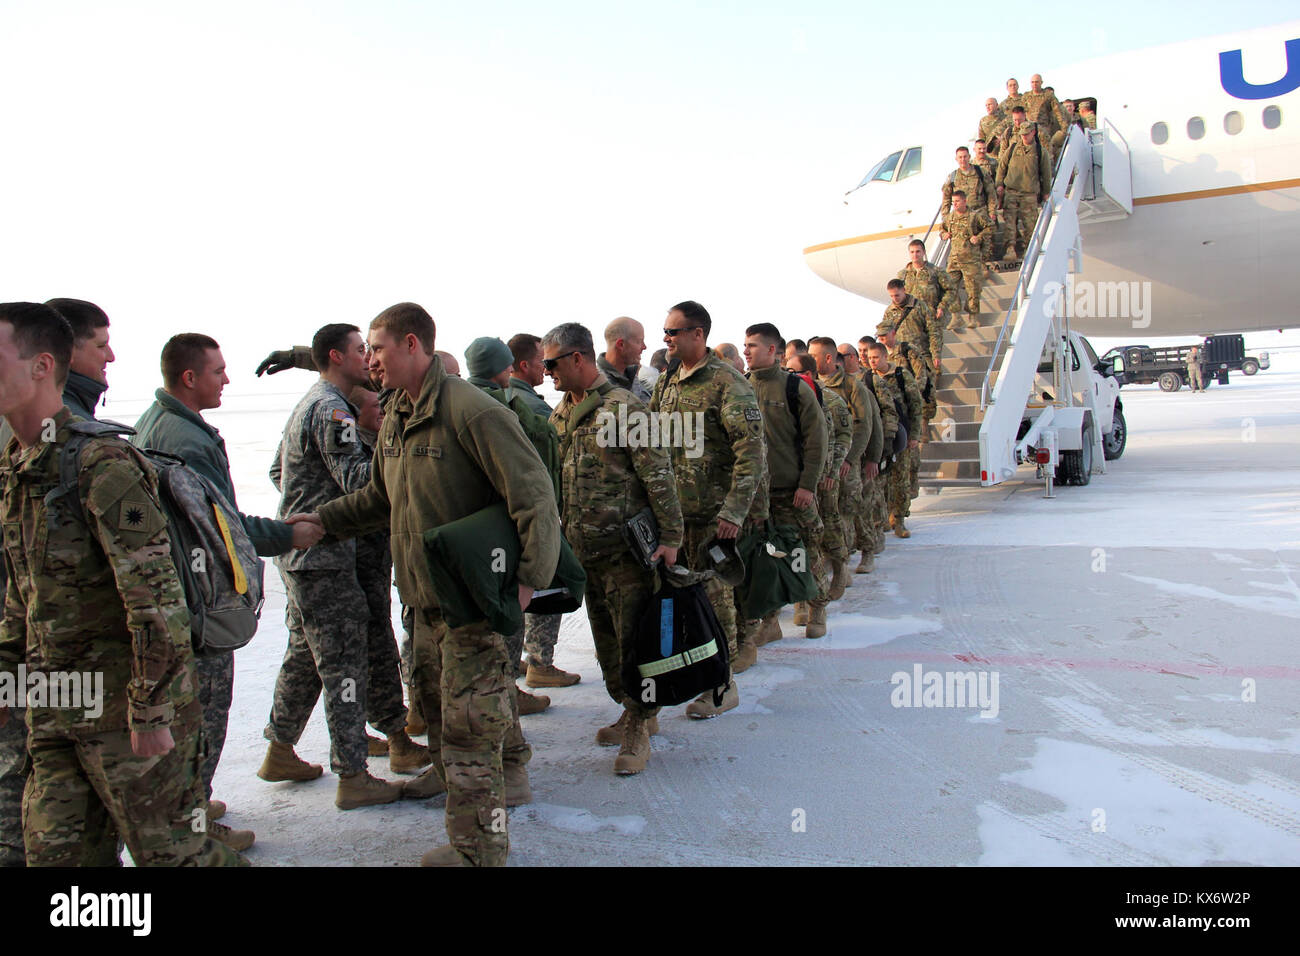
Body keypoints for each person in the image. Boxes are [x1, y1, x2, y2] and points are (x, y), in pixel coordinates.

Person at [296, 303, 561, 867]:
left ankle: (480, 849)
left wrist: (527, 584)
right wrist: (320, 523)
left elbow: (534, 496)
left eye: (378, 349)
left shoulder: (472, 411)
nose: (370, 360)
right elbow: (379, 500)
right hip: (421, 603)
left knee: (469, 734)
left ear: (411, 345)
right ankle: (473, 826)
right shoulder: (396, 416)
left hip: (471, 603)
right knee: (443, 724)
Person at [0, 302, 243, 866]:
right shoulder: (17, 463)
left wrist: (151, 709)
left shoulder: (100, 462)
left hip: (125, 713)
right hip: (54, 706)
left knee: (175, 855)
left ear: (40, 366)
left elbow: (156, 602)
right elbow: (20, 593)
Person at [133, 333, 323, 851]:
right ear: (190, 378)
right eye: (218, 371)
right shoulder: (185, 440)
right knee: (204, 718)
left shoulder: (163, 423)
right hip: (198, 601)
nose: (227, 380)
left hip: (184, 593)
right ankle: (195, 826)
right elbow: (218, 523)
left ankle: (189, 805)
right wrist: (287, 533)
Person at [260, 324, 427, 810]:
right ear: (337, 356)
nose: (369, 358)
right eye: (361, 350)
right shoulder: (333, 409)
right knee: (345, 666)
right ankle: (353, 775)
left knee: (308, 658)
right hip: (325, 557)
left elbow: (281, 473)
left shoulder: (316, 401)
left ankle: (280, 749)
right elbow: (356, 479)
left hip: (313, 556)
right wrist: (403, 458)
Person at [543, 322, 683, 773]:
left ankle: (641, 728)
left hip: (627, 554)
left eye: (552, 363)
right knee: (606, 644)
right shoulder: (561, 414)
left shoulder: (626, 409)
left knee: (635, 642)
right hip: (586, 553)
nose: (547, 373)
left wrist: (671, 538)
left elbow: (659, 478)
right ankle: (630, 708)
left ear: (577, 358)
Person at [649, 301, 763, 718]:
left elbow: (751, 452)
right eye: (665, 332)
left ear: (698, 334)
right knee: (677, 604)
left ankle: (722, 685)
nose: (667, 339)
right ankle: (687, 675)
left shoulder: (727, 383)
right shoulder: (666, 383)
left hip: (713, 516)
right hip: (672, 516)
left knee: (715, 600)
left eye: (673, 332)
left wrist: (734, 511)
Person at [465, 337, 576, 703]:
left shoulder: (458, 401)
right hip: (516, 519)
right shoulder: (517, 407)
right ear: (509, 367)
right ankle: (517, 684)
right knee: (526, 593)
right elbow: (539, 469)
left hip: (477, 527)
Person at [744, 325, 829, 639]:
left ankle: (817, 608)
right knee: (766, 558)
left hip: (793, 491)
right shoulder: (740, 387)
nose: (746, 351)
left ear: (772, 351)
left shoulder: (795, 388)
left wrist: (808, 484)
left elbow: (817, 439)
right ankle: (770, 622)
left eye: (752, 346)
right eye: (744, 345)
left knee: (805, 551)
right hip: (757, 495)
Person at [809, 337, 878, 593]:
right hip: (827, 464)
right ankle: (840, 561)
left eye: (814, 355)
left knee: (853, 509)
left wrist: (855, 458)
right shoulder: (813, 386)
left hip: (849, 460)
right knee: (832, 514)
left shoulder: (853, 386)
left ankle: (866, 550)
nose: (811, 359)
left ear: (828, 358)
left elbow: (866, 425)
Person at [866, 342, 922, 538]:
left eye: (875, 357)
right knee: (882, 480)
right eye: (869, 358)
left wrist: (914, 435)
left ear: (884, 357)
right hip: (881, 438)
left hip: (902, 435)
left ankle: (900, 520)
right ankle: (884, 517)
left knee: (901, 479)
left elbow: (915, 405)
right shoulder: (868, 378)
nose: (872, 361)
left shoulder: (901, 375)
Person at [45, 298, 114, 420]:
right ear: (65, 352)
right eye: (101, 346)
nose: (111, 357)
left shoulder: (16, 411)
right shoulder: (68, 423)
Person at [996, 122, 1053, 260]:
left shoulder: (1040, 151)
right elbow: (1002, 166)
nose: (1024, 137)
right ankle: (1010, 249)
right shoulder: (1013, 148)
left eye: (1027, 134)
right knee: (1010, 223)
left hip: (1029, 194)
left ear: (1033, 132)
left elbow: (1046, 173)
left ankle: (1030, 249)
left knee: (1030, 224)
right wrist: (999, 184)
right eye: (1022, 135)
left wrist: (1046, 192)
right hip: (1011, 192)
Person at [940, 190, 992, 331]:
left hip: (971, 259)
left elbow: (989, 227)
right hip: (954, 259)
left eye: (957, 201)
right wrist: (944, 234)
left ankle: (973, 317)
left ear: (964, 201)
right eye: (953, 202)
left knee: (973, 289)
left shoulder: (975, 217)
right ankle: (956, 316)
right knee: (949, 287)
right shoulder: (950, 218)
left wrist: (979, 237)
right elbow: (941, 229)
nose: (954, 204)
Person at [898, 239, 958, 336]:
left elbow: (951, 290)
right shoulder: (903, 274)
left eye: (918, 251)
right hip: (911, 321)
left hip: (931, 318)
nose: (915, 255)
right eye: (912, 252)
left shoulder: (935, 271)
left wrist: (942, 307)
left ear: (924, 252)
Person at [597, 317, 653, 402]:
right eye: (639, 341)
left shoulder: (632, 378)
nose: (644, 347)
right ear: (621, 345)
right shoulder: (596, 385)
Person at [941, 146, 996, 222]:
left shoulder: (981, 172)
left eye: (965, 157)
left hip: (980, 215)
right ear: (956, 159)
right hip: (962, 218)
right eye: (960, 157)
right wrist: (945, 218)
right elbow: (946, 199)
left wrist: (992, 212)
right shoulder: (953, 176)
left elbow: (991, 193)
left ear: (969, 157)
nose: (963, 160)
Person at [505, 333, 553, 417]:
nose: (546, 369)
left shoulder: (502, 393)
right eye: (542, 362)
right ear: (524, 366)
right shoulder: (536, 407)